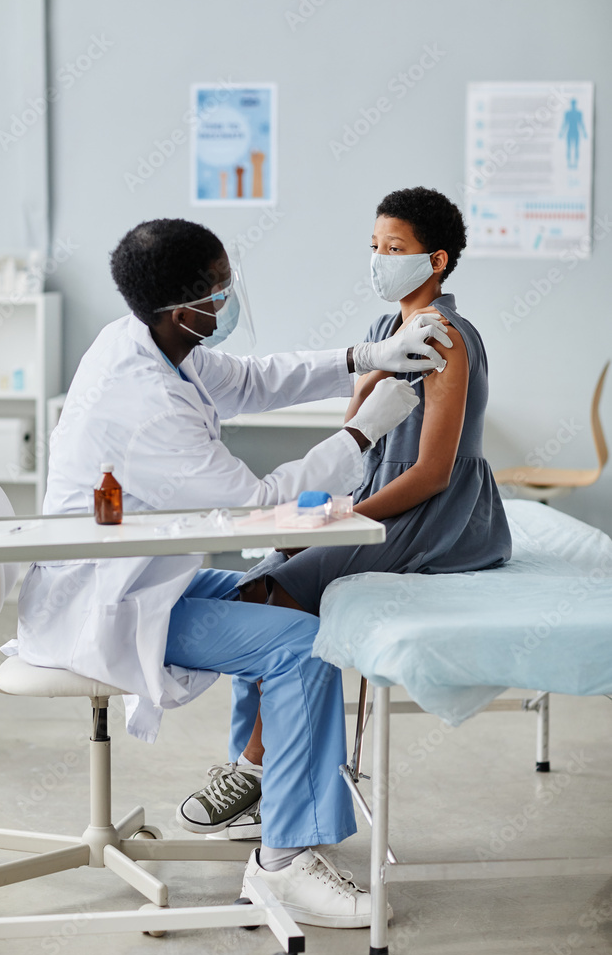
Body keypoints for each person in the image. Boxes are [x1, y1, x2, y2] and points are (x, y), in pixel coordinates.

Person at [15, 217, 450, 928]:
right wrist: (363, 431)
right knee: (302, 651)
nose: (229, 297)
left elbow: (249, 379)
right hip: (106, 601)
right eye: (220, 290)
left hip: (141, 578)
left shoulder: (151, 342)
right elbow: (260, 505)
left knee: (275, 602)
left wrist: (367, 353)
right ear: (184, 309)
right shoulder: (146, 402)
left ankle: (256, 784)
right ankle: (283, 864)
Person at [180, 186, 512, 843]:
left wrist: (348, 517)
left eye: (396, 250)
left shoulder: (446, 336)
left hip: (431, 512)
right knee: (257, 584)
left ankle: (251, 770)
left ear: (436, 260)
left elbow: (432, 472)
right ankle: (259, 768)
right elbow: (356, 426)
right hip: (375, 496)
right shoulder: (380, 333)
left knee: (283, 586)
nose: (380, 261)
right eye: (374, 248)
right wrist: (335, 501)